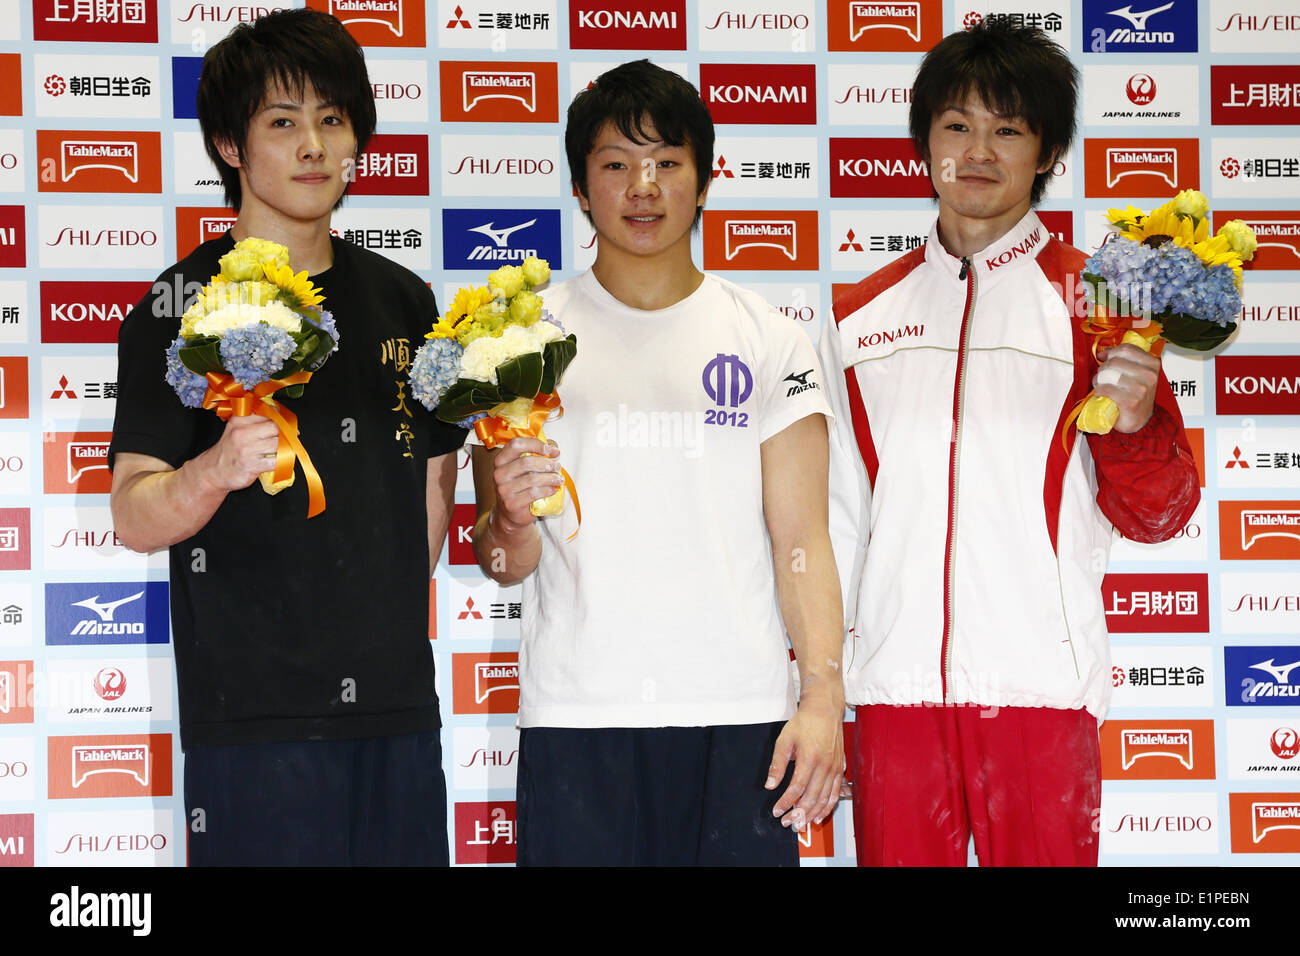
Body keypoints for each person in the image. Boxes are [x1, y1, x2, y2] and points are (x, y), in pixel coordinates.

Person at [820, 20, 1200, 866]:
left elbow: (1159, 513)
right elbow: (836, 516)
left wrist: (1135, 425)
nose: (979, 150)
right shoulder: (857, 317)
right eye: (957, 125)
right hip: (894, 695)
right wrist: (819, 679)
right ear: (924, 142)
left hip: (1040, 693)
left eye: (1009, 128)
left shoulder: (1100, 302)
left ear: (1049, 152)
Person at [108, 9, 463, 866]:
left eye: (332, 120)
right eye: (283, 121)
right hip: (250, 721)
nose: (313, 145)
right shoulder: (178, 304)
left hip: (396, 714)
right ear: (231, 146)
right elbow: (131, 512)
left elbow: (434, 490)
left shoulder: (407, 302)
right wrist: (215, 469)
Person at [470, 59, 845, 866]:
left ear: (703, 183)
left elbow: (801, 539)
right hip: (580, 716)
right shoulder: (519, 340)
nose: (643, 187)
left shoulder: (769, 337)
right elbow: (501, 562)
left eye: (667, 163)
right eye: (615, 164)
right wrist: (505, 515)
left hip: (740, 716)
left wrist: (821, 696)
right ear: (580, 188)